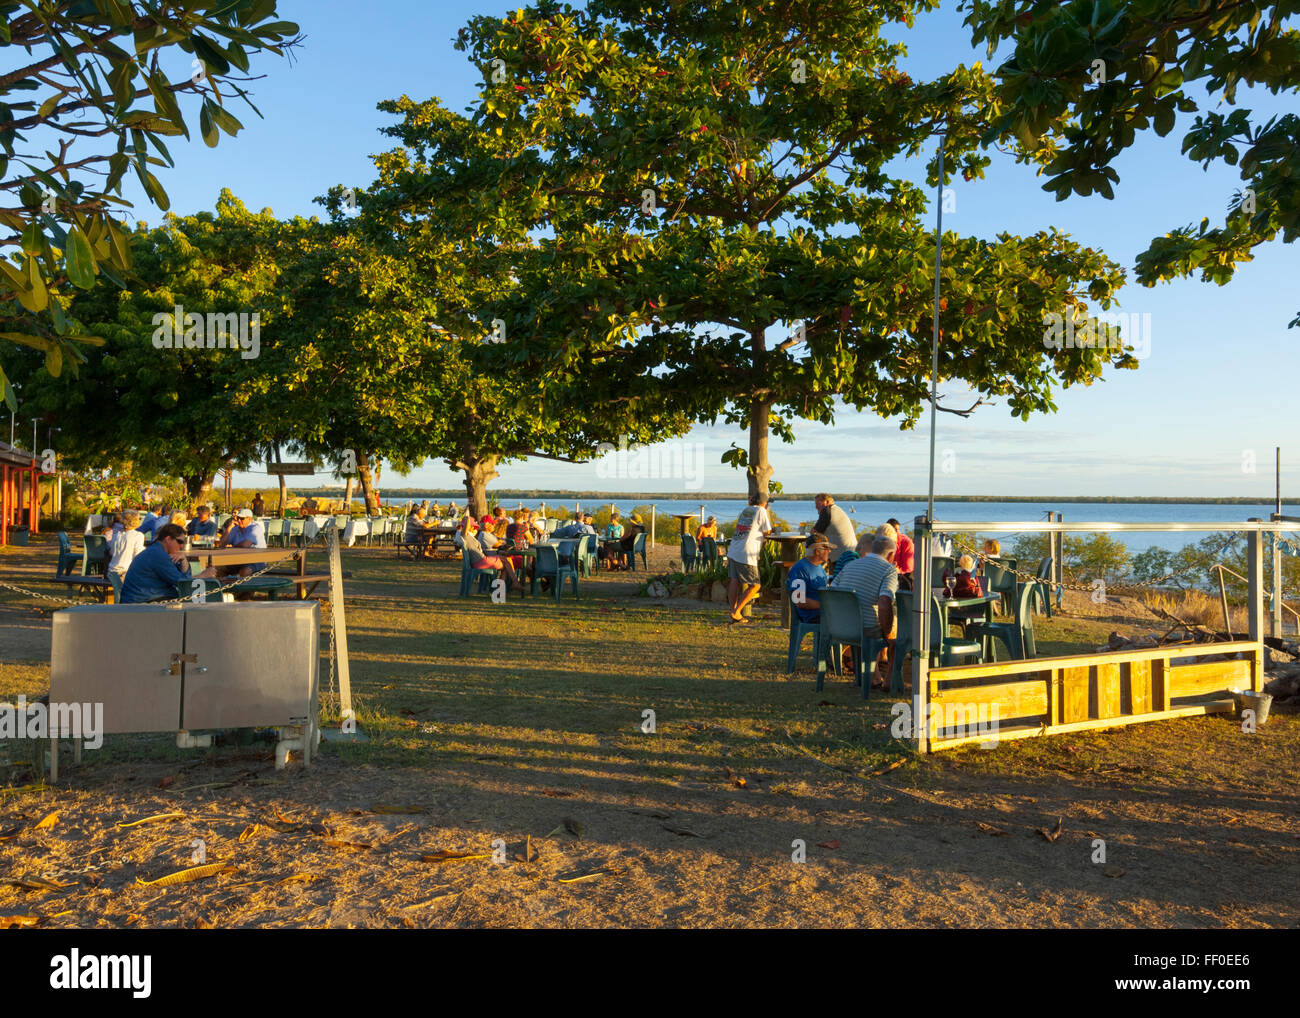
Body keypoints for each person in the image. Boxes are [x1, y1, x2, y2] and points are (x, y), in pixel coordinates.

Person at [830, 529, 899, 687]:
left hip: (841, 626)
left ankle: (875, 678)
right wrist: (887, 633)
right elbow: (884, 603)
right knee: (896, 638)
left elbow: (832, 590)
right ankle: (889, 680)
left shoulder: (850, 566)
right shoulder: (889, 570)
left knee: (868, 620)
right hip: (865, 629)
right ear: (891, 555)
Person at [121, 524, 216, 603]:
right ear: (168, 539)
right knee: (202, 601)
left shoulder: (158, 551)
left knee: (197, 599)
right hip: (144, 603)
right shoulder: (157, 555)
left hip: (145, 599)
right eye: (179, 542)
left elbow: (183, 576)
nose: (182, 546)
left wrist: (183, 560)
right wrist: (204, 575)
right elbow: (181, 583)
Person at [727, 493, 772, 623]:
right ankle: (736, 612)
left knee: (734, 581)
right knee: (755, 585)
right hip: (746, 553)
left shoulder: (746, 510)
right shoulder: (761, 510)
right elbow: (767, 531)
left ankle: (733, 612)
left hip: (734, 549)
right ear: (764, 502)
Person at [459, 516, 523, 593]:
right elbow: (465, 530)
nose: (476, 529)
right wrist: (468, 519)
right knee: (507, 561)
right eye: (474, 527)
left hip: (480, 561)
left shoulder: (469, 537)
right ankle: (513, 583)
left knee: (506, 564)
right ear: (470, 528)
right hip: (481, 561)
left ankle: (502, 589)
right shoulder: (465, 536)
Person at [786, 533, 831, 624]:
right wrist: (825, 605)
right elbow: (799, 601)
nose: (829, 551)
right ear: (817, 551)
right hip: (813, 616)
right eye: (826, 548)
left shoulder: (819, 567)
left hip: (823, 612)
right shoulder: (800, 569)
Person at [218, 507, 266, 578]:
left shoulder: (255, 528)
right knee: (216, 569)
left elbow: (245, 545)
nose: (239, 520)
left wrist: (232, 547)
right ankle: (220, 587)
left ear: (250, 519)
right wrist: (229, 528)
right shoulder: (235, 528)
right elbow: (222, 543)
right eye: (238, 518)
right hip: (238, 560)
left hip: (256, 559)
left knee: (244, 571)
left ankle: (245, 588)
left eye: (242, 519)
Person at [812, 494, 857, 564]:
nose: (816, 507)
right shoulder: (837, 510)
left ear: (826, 502)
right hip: (852, 550)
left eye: (818, 503)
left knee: (813, 554)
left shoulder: (827, 511)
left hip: (840, 553)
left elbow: (815, 532)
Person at [108, 510, 145, 580]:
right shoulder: (138, 535)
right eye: (139, 518)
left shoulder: (116, 535)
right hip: (125, 573)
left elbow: (111, 552)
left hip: (111, 572)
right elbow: (138, 557)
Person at [886, 518, 914, 589]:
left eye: (898, 530)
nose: (897, 533)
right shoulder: (881, 542)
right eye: (894, 530)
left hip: (902, 580)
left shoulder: (906, 542)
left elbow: (908, 569)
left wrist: (898, 571)